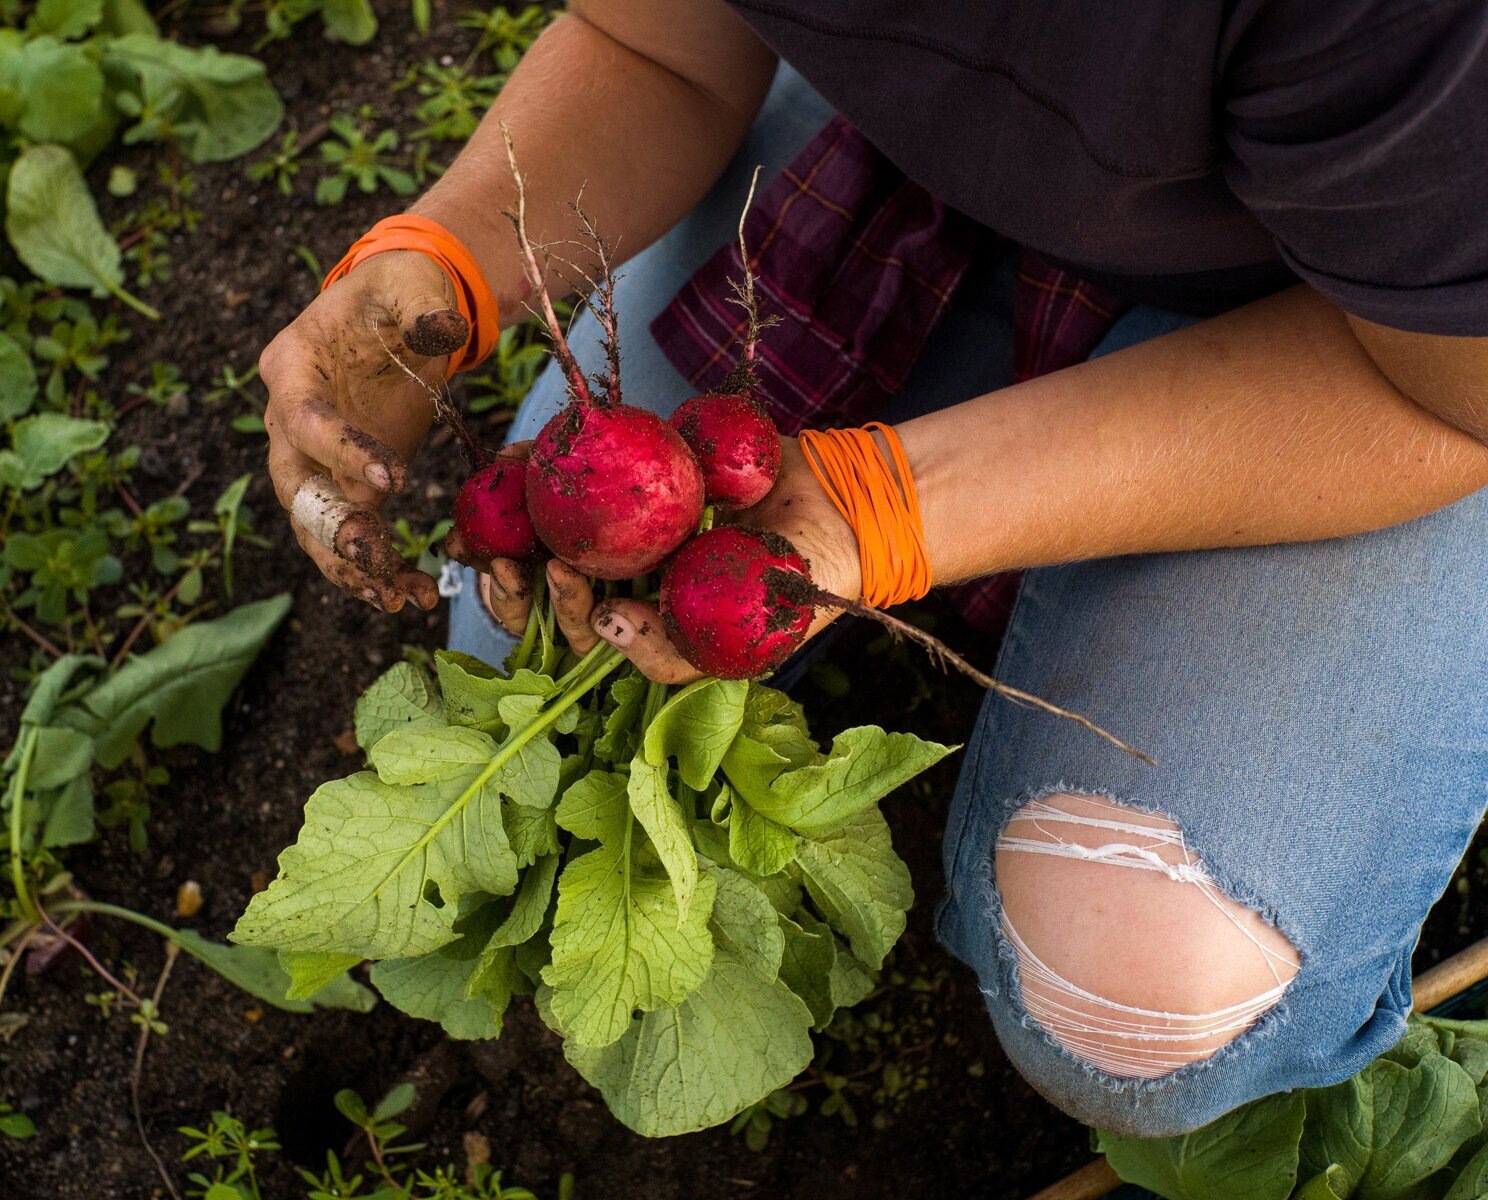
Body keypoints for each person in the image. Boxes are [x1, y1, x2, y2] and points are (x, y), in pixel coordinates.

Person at [259, 0, 1488, 1137]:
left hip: (1395, 345)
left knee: (1141, 988)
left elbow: (1453, 398)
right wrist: (445, 267)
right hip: (946, 171)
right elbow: (663, 39)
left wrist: (887, 506)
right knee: (530, 636)